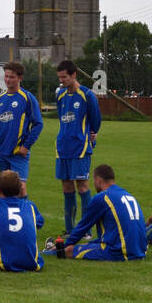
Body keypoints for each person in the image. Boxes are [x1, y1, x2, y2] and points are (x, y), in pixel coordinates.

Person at [48, 164, 146, 261]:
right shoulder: (127, 194)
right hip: (140, 250)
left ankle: (47, 252)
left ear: (98, 180)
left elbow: (82, 227)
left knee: (69, 250)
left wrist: (63, 246)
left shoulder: (102, 197)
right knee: (89, 245)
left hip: (118, 251)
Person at [54, 59, 102, 235]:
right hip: (62, 147)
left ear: (74, 75)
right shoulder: (60, 95)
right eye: (60, 77)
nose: (62, 81)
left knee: (82, 187)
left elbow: (96, 120)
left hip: (80, 147)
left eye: (65, 77)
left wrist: (92, 135)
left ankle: (86, 230)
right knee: (67, 188)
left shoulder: (87, 95)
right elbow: (62, 117)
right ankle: (69, 229)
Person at [0, 61, 43, 197]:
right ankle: (7, 217)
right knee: (4, 190)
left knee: (21, 188)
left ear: (20, 78)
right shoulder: (0, 99)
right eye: (6, 76)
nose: (8, 80)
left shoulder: (27, 98)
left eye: (12, 77)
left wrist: (26, 146)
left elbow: (38, 124)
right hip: (2, 153)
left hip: (18, 152)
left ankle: (26, 216)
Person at [0, 170, 46, 272]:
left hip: (1, 263)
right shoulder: (30, 206)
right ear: (20, 189)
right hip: (31, 263)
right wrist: (24, 198)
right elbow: (39, 223)